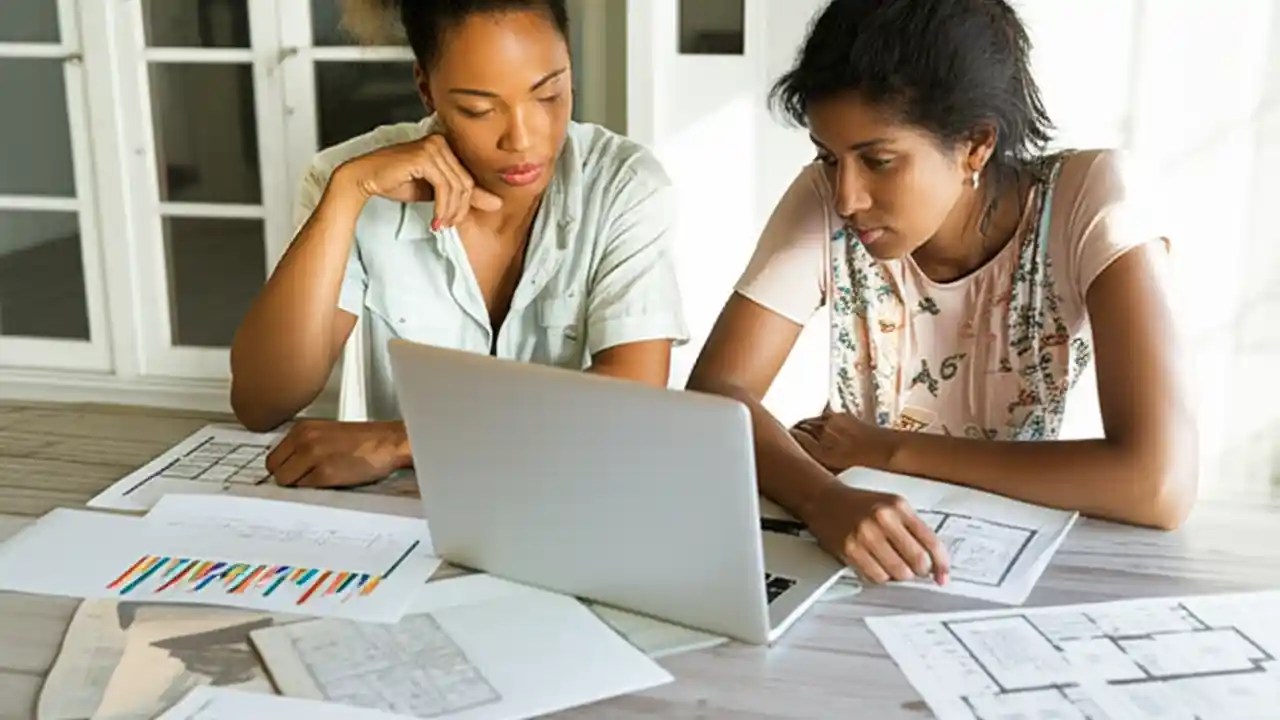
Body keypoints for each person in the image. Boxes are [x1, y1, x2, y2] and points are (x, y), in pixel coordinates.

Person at [687, 0, 1196, 586]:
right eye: (828, 157)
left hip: (1018, 568)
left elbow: (1159, 483)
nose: (847, 196)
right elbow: (714, 399)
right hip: (875, 563)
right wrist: (821, 499)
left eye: (878, 160)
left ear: (976, 145)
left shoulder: (1091, 198)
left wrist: (887, 450)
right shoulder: (826, 200)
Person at [231, 0, 687, 489]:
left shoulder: (621, 184)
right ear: (426, 89)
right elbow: (263, 401)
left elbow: (634, 396)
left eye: (549, 94)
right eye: (480, 109)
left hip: (567, 496)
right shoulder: (350, 177)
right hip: (397, 518)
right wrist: (345, 197)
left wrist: (403, 441)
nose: (522, 137)